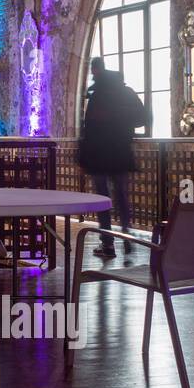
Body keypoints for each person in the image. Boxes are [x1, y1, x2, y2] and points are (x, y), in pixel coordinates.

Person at [79, 58, 149, 258]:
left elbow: (89, 130)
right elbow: (142, 118)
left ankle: (108, 244)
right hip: (120, 152)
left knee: (103, 200)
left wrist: (83, 158)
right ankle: (127, 237)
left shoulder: (97, 95)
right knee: (122, 197)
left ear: (97, 71)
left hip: (100, 155)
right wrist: (122, 125)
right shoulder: (125, 92)